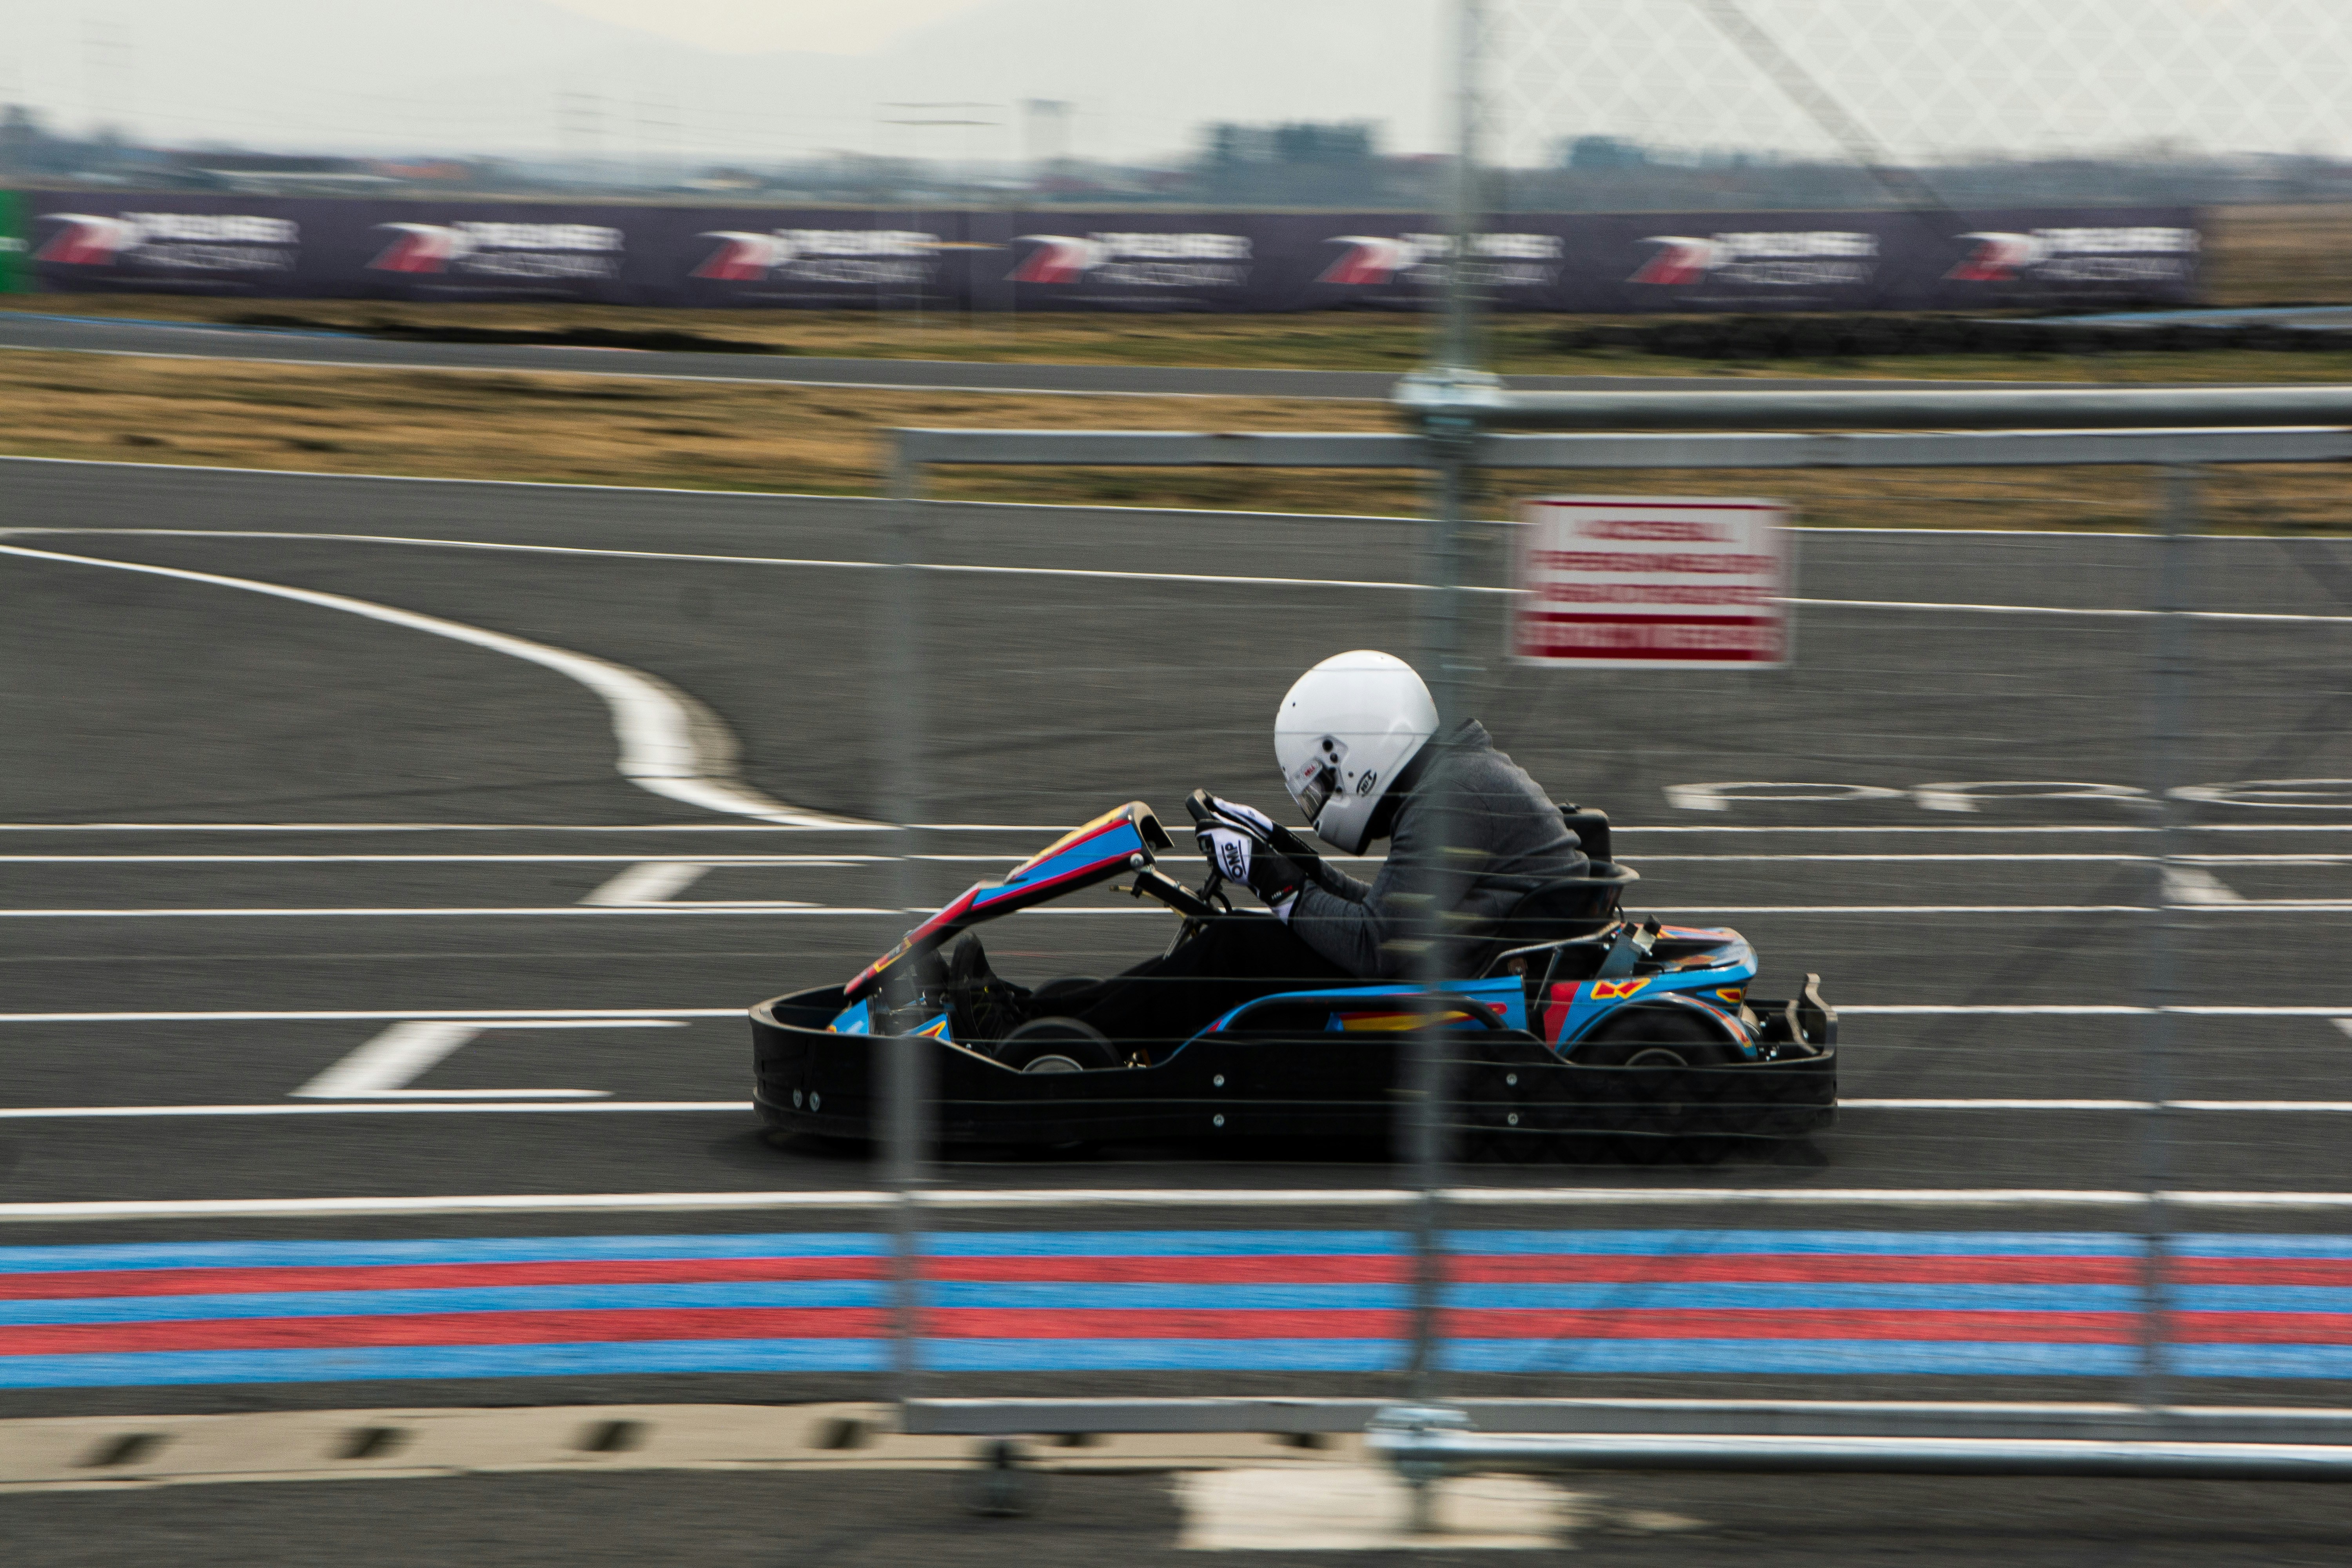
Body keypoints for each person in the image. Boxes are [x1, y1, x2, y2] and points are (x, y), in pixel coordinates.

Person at [977, 650, 1588, 1051]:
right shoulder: (1455, 779)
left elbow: (1380, 947)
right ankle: (1035, 1016)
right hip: (1472, 957)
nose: (1325, 803)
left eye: (1323, 785)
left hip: (1472, 981)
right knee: (1224, 938)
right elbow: (1389, 915)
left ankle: (1047, 1041)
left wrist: (1277, 882)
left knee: (1232, 947)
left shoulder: (1453, 795)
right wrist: (1293, 860)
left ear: (1347, 750)